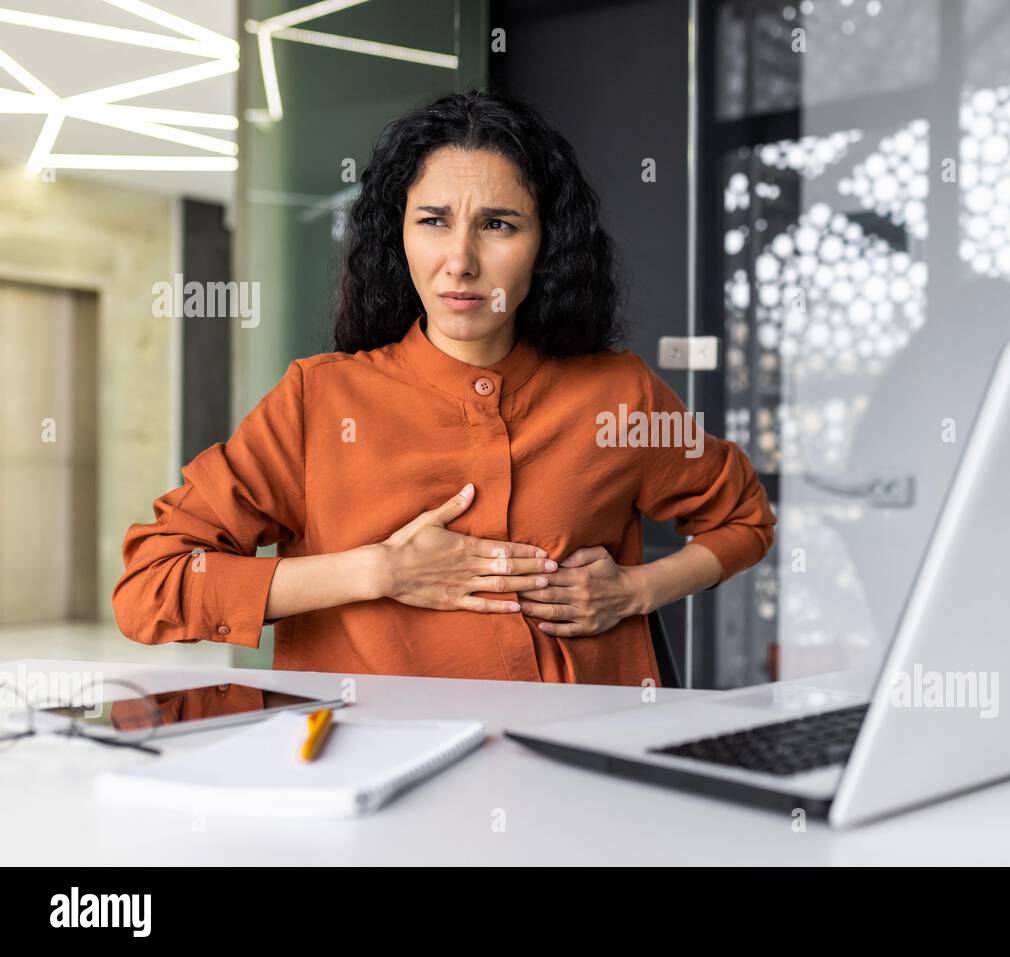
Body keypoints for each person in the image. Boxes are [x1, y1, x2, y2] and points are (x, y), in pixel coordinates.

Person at [111, 89, 776, 685]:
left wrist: (637, 589)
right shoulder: (319, 401)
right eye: (433, 220)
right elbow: (150, 586)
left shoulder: (619, 394)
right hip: (373, 784)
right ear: (399, 235)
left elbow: (745, 518)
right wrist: (379, 570)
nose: (460, 260)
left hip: (582, 777)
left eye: (498, 224)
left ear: (547, 243)